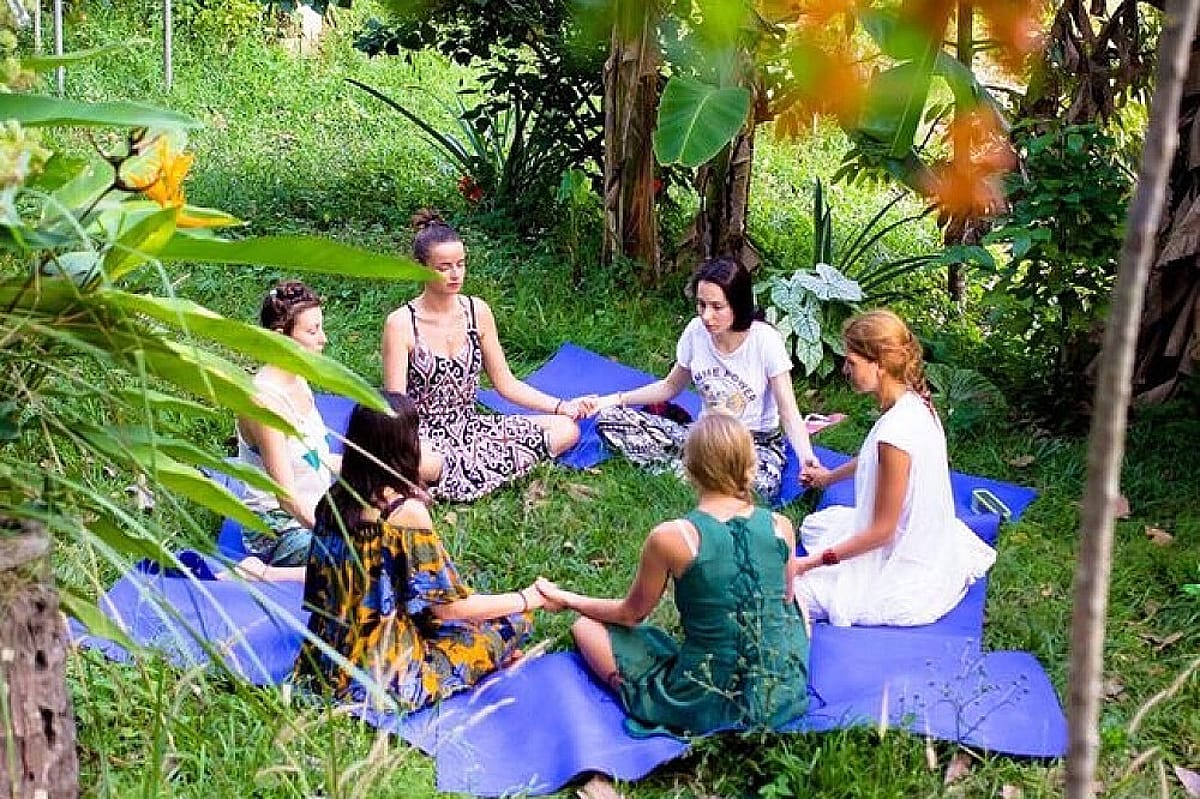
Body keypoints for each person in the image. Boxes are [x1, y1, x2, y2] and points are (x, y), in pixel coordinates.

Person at [536, 414, 811, 739]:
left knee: (585, 627)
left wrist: (567, 598)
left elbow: (630, 615)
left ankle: (636, 694)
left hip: (700, 700)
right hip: (778, 696)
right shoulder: (781, 525)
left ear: (689, 467)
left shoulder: (672, 536)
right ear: (751, 466)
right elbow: (787, 599)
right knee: (797, 602)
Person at [293, 393, 557, 708]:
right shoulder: (404, 512)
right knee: (512, 622)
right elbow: (450, 609)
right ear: (404, 446)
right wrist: (528, 598)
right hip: (385, 673)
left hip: (323, 662)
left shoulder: (332, 499)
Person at [794, 310, 997, 627]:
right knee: (822, 525)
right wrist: (828, 478)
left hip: (903, 560)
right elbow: (876, 460)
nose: (845, 370)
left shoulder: (895, 433)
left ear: (879, 364)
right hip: (918, 540)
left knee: (798, 591)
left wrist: (810, 563)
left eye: (852, 362)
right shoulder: (914, 401)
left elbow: (881, 533)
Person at [382, 209, 584, 503]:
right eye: (444, 267)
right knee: (417, 462)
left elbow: (506, 384)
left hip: (471, 427)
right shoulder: (400, 323)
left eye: (461, 264)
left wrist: (561, 406)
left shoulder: (477, 311)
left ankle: (461, 474)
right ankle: (471, 470)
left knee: (567, 430)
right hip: (422, 436)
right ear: (420, 268)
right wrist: (407, 451)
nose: (455, 274)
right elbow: (394, 406)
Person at [587, 257, 819, 503]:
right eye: (701, 305)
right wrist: (611, 401)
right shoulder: (696, 331)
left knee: (760, 488)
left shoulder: (765, 341)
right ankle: (700, 476)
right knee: (610, 420)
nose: (707, 316)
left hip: (751, 444)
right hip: (703, 436)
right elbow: (670, 386)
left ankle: (688, 474)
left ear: (738, 304)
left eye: (717, 307)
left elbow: (788, 411)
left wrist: (807, 458)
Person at [229, 280, 338, 581]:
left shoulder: (298, 378)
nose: (323, 339)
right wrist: (335, 535)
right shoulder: (265, 401)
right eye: (312, 331)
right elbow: (286, 499)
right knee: (353, 561)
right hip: (277, 524)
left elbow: (317, 457)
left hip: (316, 505)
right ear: (281, 338)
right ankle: (262, 573)